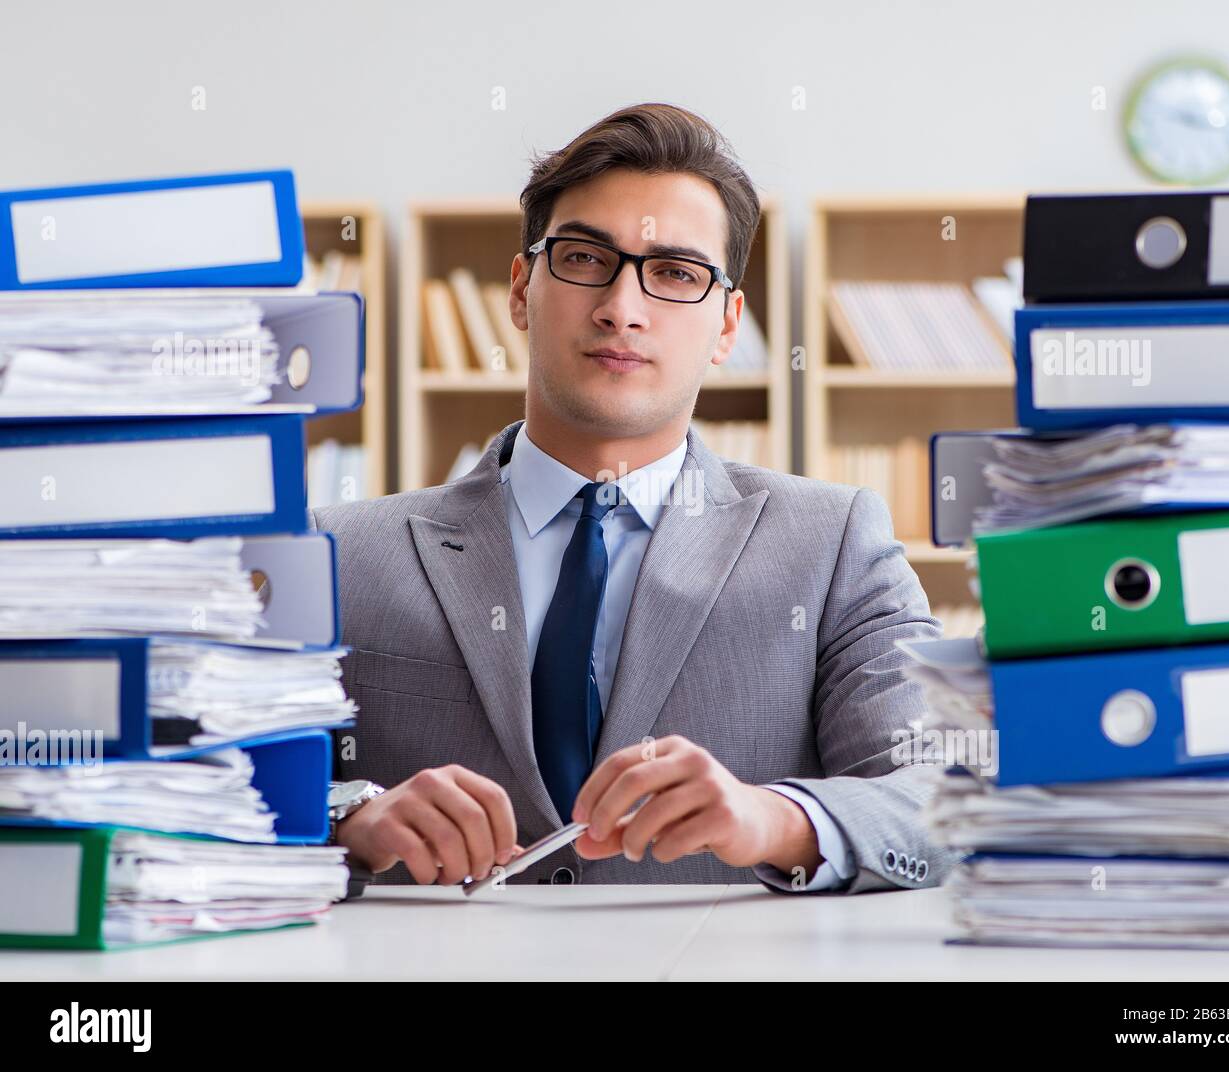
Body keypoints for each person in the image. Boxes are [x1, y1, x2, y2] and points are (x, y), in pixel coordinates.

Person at [313, 102, 955, 894]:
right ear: (521, 290)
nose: (622, 307)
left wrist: (771, 819)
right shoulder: (337, 553)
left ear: (728, 325)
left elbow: (942, 801)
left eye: (676, 273)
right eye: (585, 258)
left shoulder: (834, 545)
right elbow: (214, 791)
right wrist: (346, 819)